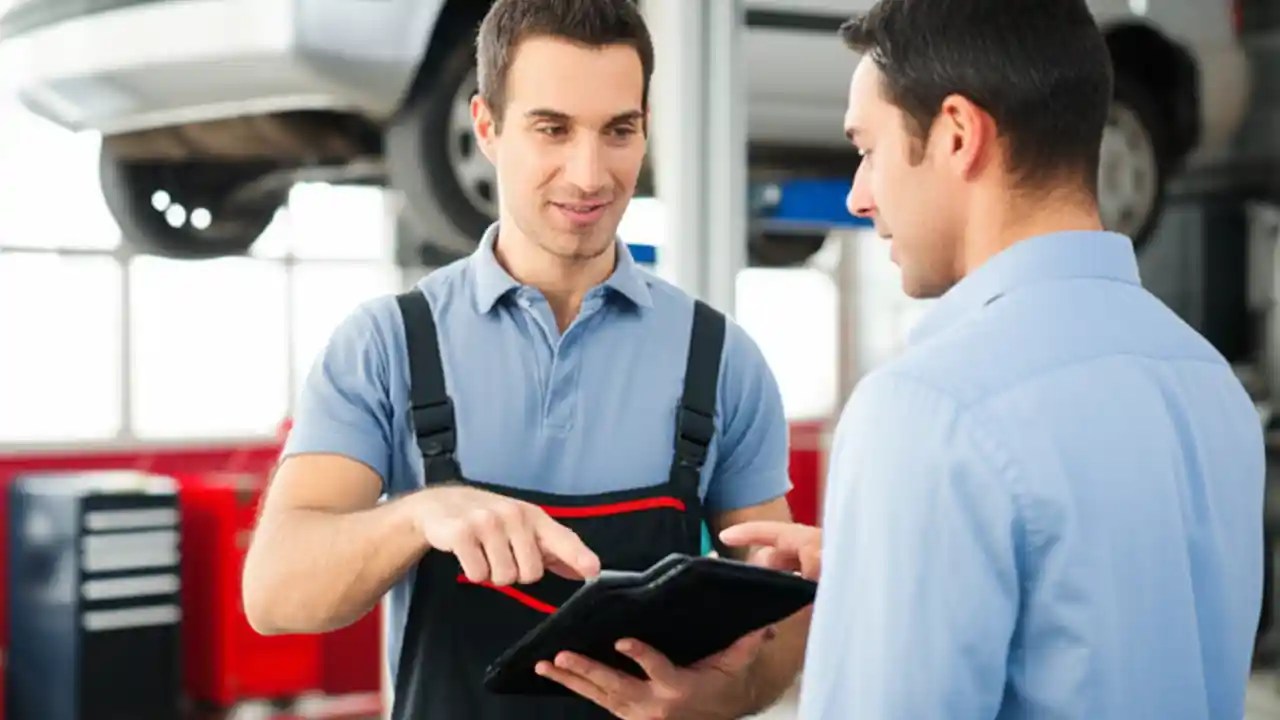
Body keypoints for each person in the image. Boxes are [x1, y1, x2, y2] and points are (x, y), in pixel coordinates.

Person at [240, 0, 809, 718]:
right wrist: (421, 514)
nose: (589, 174)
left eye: (618, 131)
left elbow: (777, 616)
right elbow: (276, 593)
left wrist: (721, 698)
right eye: (552, 129)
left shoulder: (720, 358)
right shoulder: (387, 346)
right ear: (487, 127)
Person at [722, 0, 1266, 718]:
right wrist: (887, 577)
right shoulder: (1207, 382)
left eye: (868, 150)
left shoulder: (927, 410)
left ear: (956, 136)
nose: (858, 196)